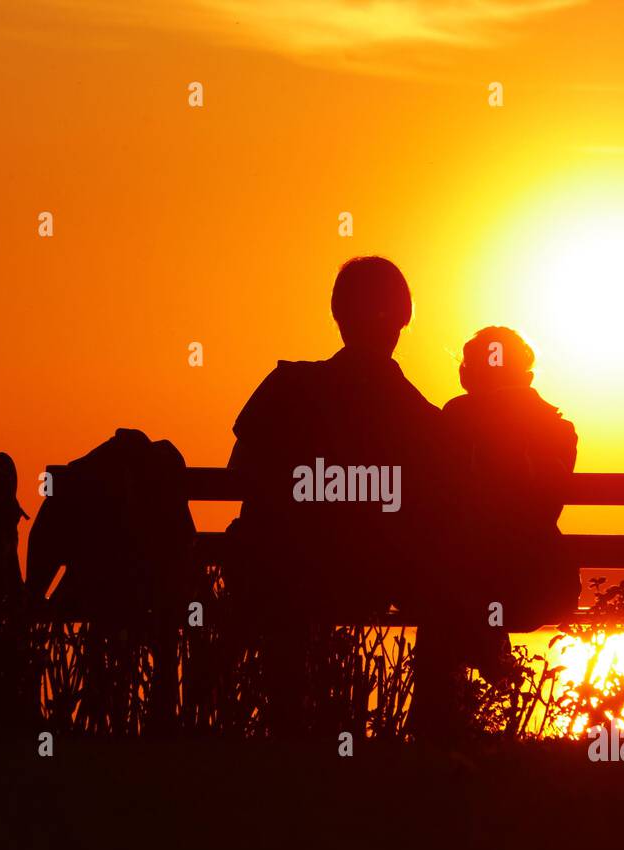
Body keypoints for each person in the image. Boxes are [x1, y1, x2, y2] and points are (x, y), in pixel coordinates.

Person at [226, 256, 440, 732]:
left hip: (281, 573)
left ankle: (282, 733)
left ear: (339, 317)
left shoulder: (287, 386)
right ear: (404, 320)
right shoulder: (418, 414)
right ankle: (429, 735)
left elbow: (238, 471)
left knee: (282, 590)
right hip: (373, 578)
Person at [410, 326, 580, 741]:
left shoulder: (455, 420)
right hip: (539, 586)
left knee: (445, 594)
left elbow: (432, 505)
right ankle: (473, 693)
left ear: (471, 374)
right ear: (526, 372)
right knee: (456, 587)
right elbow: (543, 508)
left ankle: (438, 731)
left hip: (463, 587)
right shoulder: (559, 430)